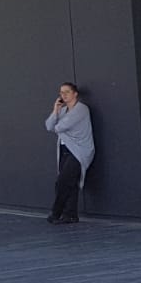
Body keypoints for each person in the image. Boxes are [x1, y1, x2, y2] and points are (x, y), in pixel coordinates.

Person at [45, 81, 94, 224]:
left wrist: (56, 123)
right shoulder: (63, 110)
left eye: (67, 92)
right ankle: (70, 215)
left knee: (63, 182)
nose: (63, 95)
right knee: (70, 183)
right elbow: (49, 126)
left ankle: (56, 213)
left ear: (75, 94)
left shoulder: (81, 109)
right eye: (61, 92)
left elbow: (60, 127)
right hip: (65, 150)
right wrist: (55, 110)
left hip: (78, 150)